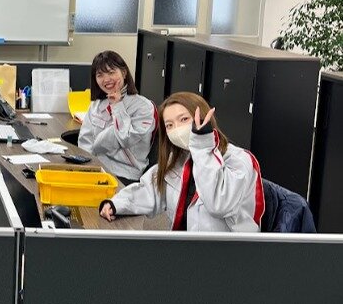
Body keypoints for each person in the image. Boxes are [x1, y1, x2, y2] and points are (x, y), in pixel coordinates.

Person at [99, 91, 265, 232]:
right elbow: (149, 191)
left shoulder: (239, 160)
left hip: (231, 252)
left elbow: (219, 205)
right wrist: (116, 204)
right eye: (169, 125)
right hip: (185, 248)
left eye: (184, 119)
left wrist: (202, 146)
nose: (177, 129)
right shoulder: (179, 159)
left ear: (204, 118)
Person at [78, 50, 156, 186]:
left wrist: (117, 105)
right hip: (96, 168)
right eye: (100, 75)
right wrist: (87, 167)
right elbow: (85, 141)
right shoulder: (97, 105)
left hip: (125, 174)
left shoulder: (143, 107)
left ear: (124, 73)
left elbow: (125, 139)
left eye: (111, 72)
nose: (106, 79)